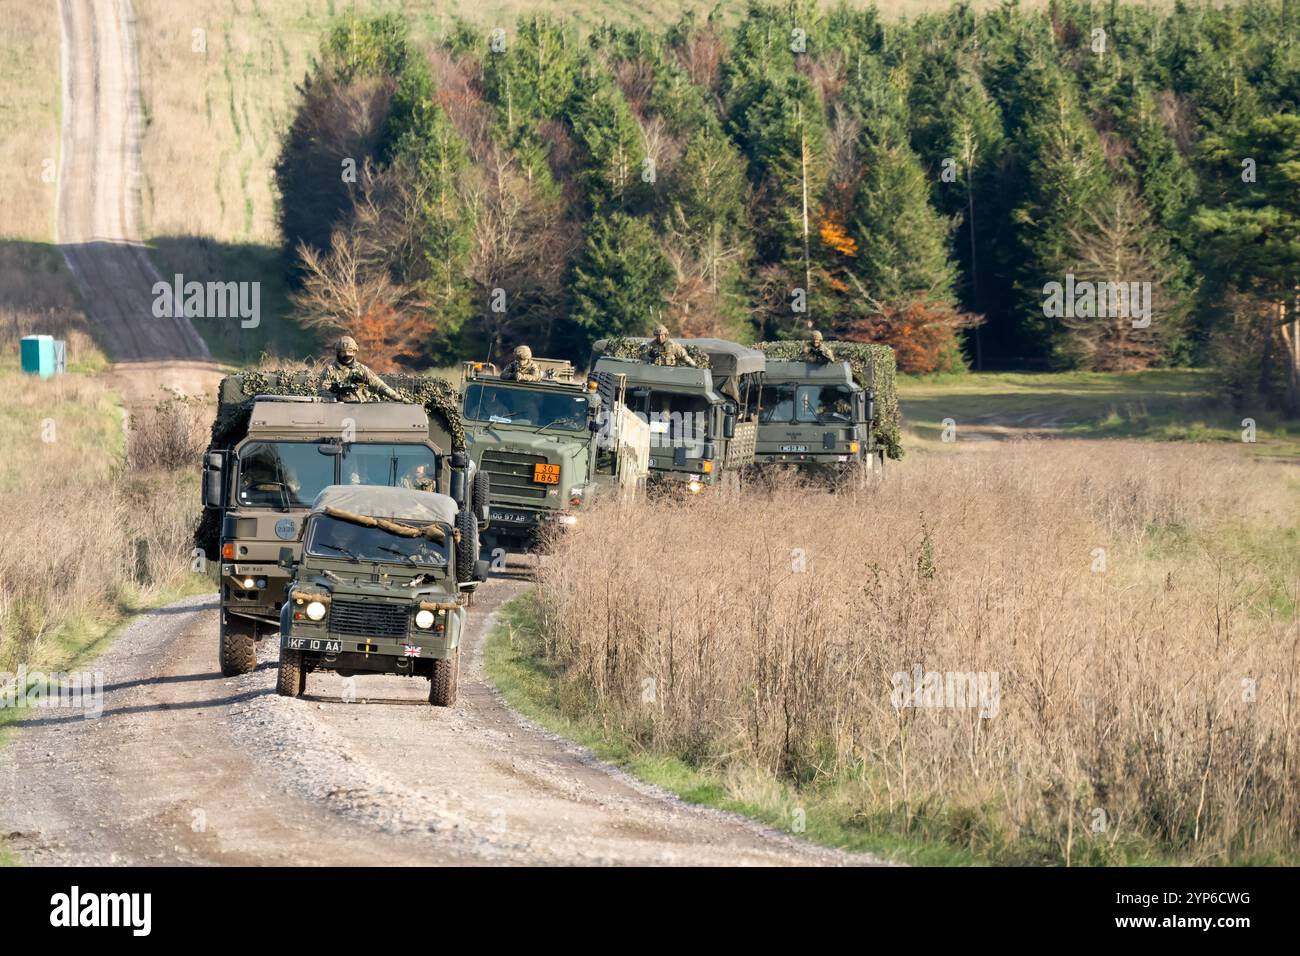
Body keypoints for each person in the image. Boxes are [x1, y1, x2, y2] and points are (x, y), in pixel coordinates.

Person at [319, 335, 401, 402]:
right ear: (338, 352)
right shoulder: (330, 370)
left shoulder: (361, 369)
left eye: (350, 351)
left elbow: (379, 385)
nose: (347, 354)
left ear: (354, 352)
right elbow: (322, 390)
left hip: (360, 408)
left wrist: (397, 397)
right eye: (343, 352)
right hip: (338, 409)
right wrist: (338, 396)